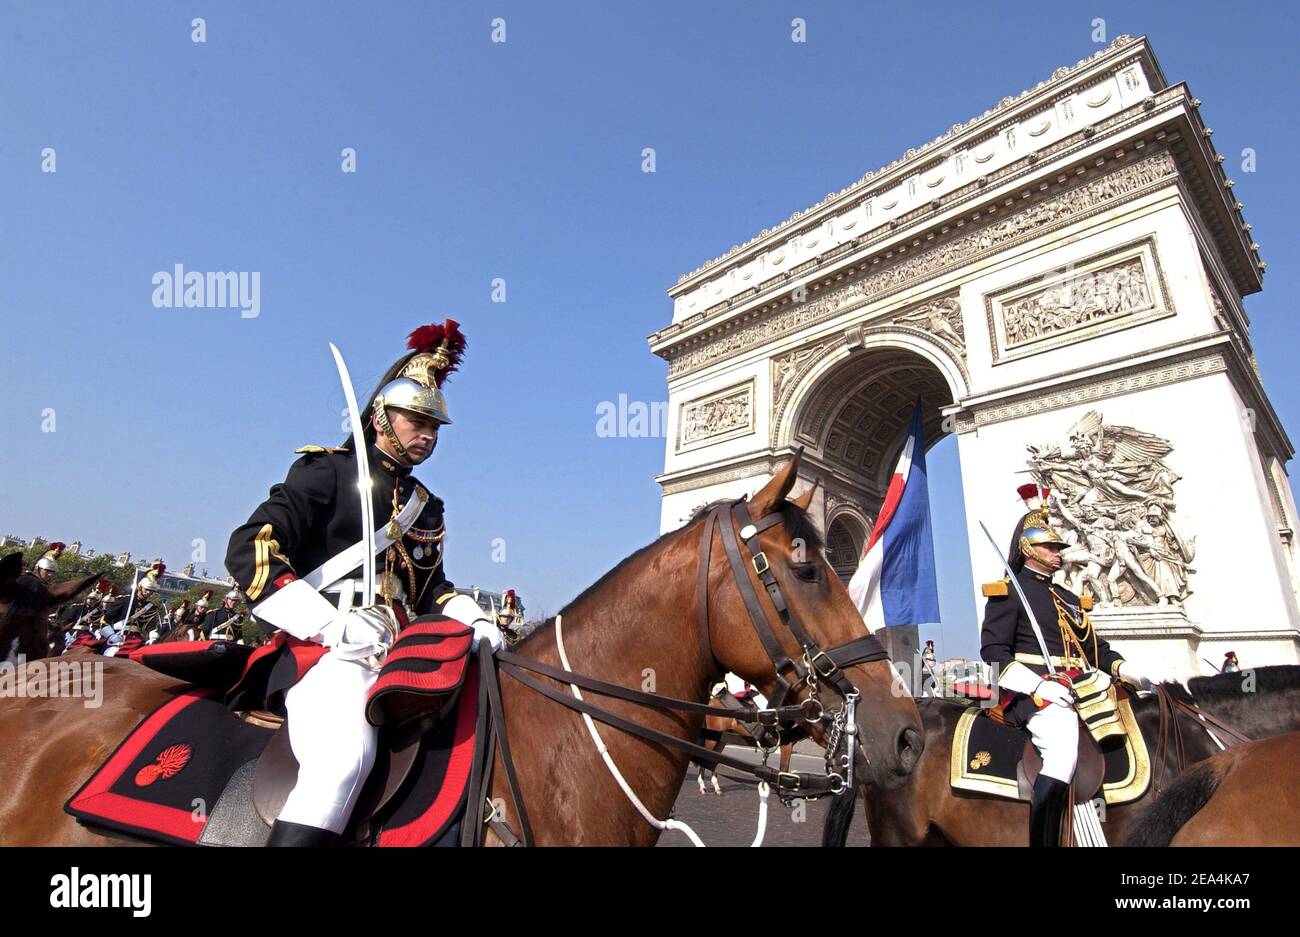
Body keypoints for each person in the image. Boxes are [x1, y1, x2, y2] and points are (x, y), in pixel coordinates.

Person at [224, 319, 502, 847]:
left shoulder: (427, 504)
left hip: (396, 655)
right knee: (343, 760)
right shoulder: (326, 473)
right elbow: (251, 548)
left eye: (435, 426)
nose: (427, 434)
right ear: (380, 417)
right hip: (323, 655)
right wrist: (328, 625)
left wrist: (474, 618)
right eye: (416, 420)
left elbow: (430, 591)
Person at [980, 484, 1163, 847]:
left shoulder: (1068, 597)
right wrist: (1038, 686)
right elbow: (993, 651)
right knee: (1062, 754)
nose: (1059, 552)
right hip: (1038, 696)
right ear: (1028, 548)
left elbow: (1096, 650)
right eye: (1050, 546)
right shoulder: (1009, 592)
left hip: (1085, 687)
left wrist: (1128, 671)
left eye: (1059, 546)